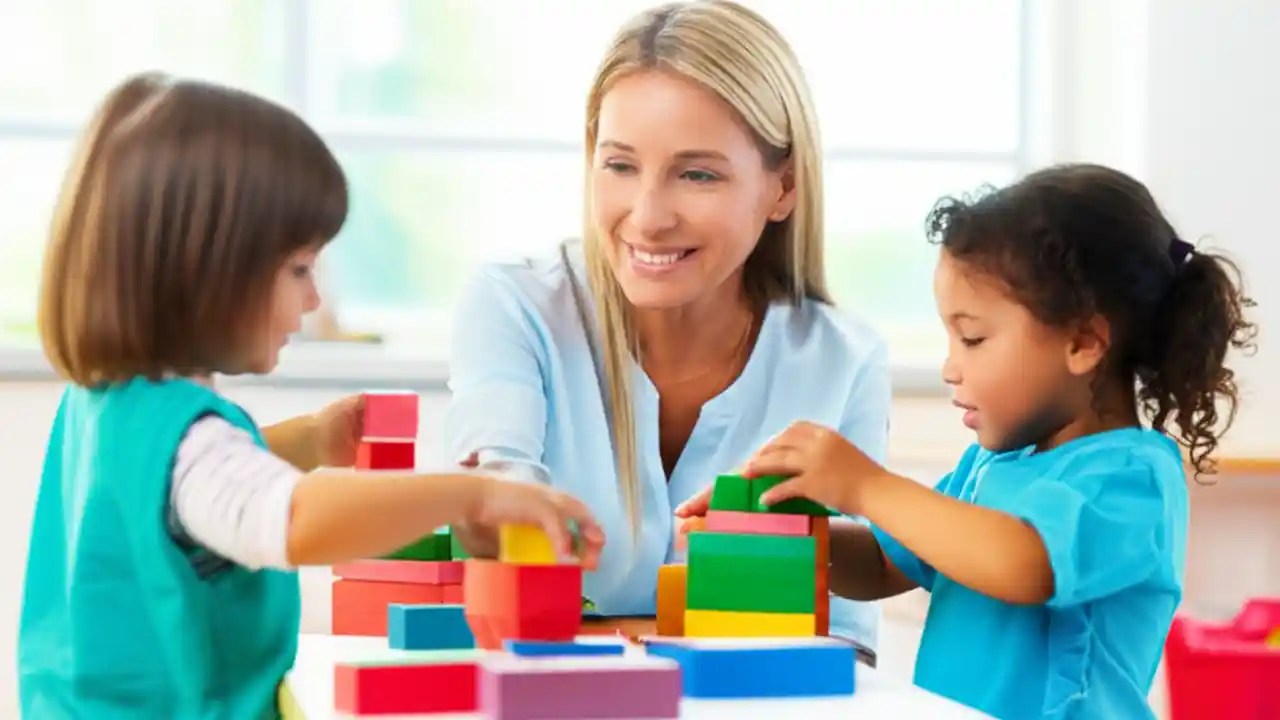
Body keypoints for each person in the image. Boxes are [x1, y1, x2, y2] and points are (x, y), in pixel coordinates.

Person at [17, 72, 603, 719]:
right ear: (209, 268)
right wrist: (478, 491)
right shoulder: (186, 439)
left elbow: (187, 500)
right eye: (299, 268)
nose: (315, 298)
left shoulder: (109, 406)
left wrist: (310, 440)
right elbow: (290, 520)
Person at [680, 163, 1257, 718]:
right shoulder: (989, 465)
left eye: (973, 338)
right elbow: (887, 560)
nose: (950, 369)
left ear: (1083, 342)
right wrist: (783, 535)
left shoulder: (1132, 476)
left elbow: (1024, 564)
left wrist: (865, 485)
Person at [443, 0, 890, 652]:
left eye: (697, 174)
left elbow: (838, 635)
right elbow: (494, 499)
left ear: (783, 187)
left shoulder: (842, 360)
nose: (647, 218)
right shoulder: (515, 305)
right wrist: (503, 515)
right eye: (620, 165)